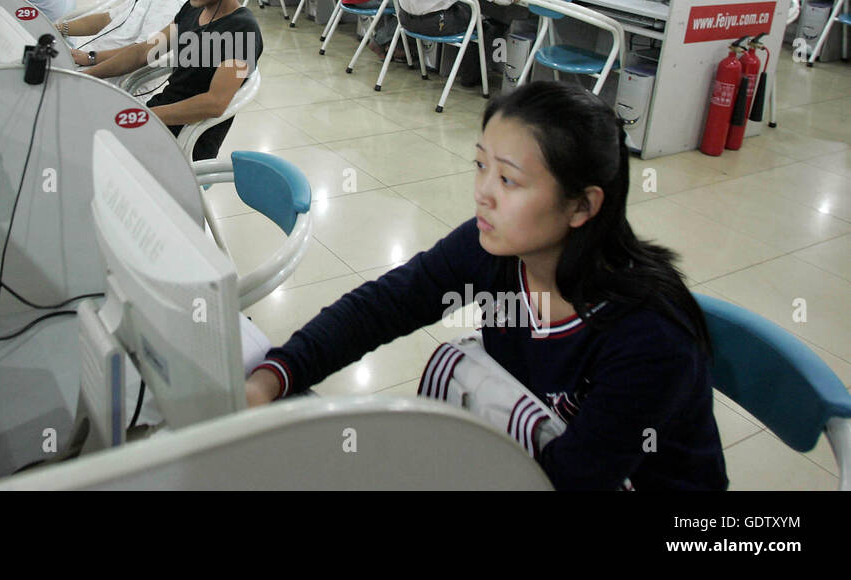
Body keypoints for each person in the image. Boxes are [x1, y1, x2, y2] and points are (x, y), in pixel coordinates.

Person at [245, 81, 727, 491]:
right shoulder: (495, 251)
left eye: (509, 180)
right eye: (481, 166)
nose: (483, 193)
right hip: (527, 450)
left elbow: (572, 482)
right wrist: (275, 375)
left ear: (581, 207)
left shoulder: (649, 340)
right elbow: (385, 306)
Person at [81, 0, 263, 161]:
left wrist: (145, 115)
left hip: (184, 140)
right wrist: (87, 74)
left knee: (88, 143)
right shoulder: (193, 10)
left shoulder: (242, 31)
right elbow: (144, 52)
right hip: (159, 118)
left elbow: (214, 103)